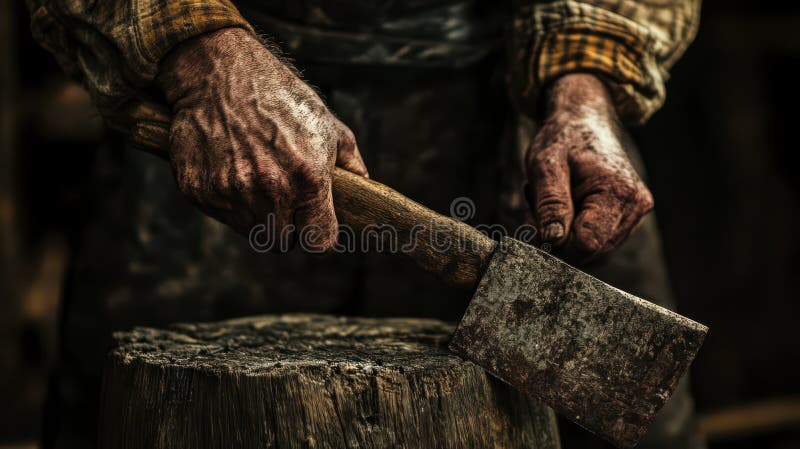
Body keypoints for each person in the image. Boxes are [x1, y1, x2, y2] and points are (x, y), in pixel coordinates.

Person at [26, 1, 704, 448]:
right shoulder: (204, 81)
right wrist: (202, 57)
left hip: (512, 113)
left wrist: (586, 82)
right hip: (212, 115)